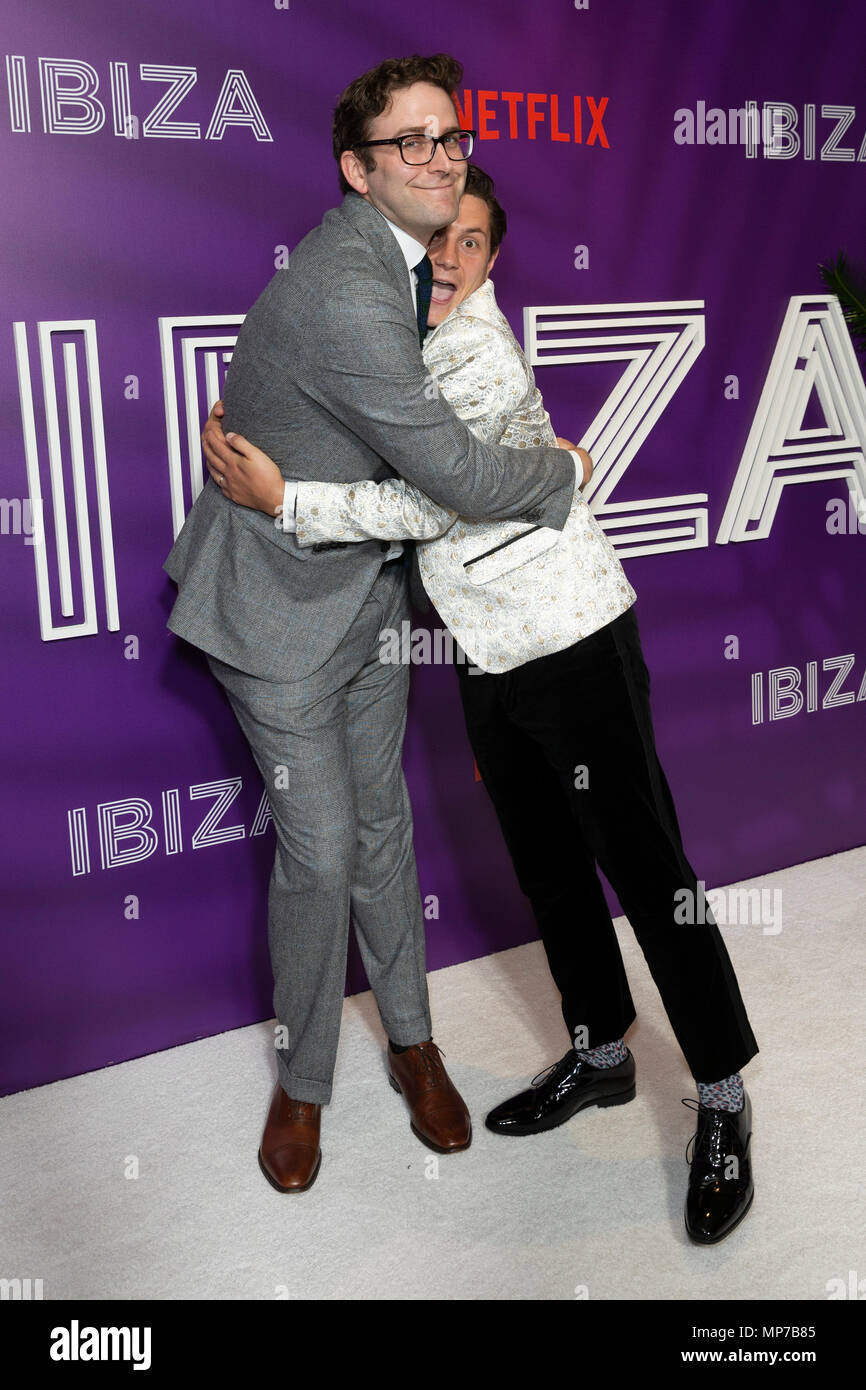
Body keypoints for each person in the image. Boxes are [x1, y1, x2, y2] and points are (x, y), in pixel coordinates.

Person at [204, 164, 758, 1244]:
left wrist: (286, 498)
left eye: (471, 245)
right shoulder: (387, 337)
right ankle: (601, 1052)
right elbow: (335, 402)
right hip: (485, 652)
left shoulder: (475, 351)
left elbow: (425, 493)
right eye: (435, 243)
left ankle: (724, 1096)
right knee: (547, 863)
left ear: (492, 259)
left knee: (648, 870)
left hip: (571, 635)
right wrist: (252, 412)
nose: (449, 262)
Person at [163, 53, 585, 1195]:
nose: (440, 157)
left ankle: (412, 1039)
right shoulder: (354, 287)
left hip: (364, 591)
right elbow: (448, 469)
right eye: (411, 142)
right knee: (324, 849)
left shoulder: (405, 262)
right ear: (356, 170)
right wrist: (557, 472)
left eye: (449, 136)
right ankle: (303, 1086)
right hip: (277, 613)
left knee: (384, 827)